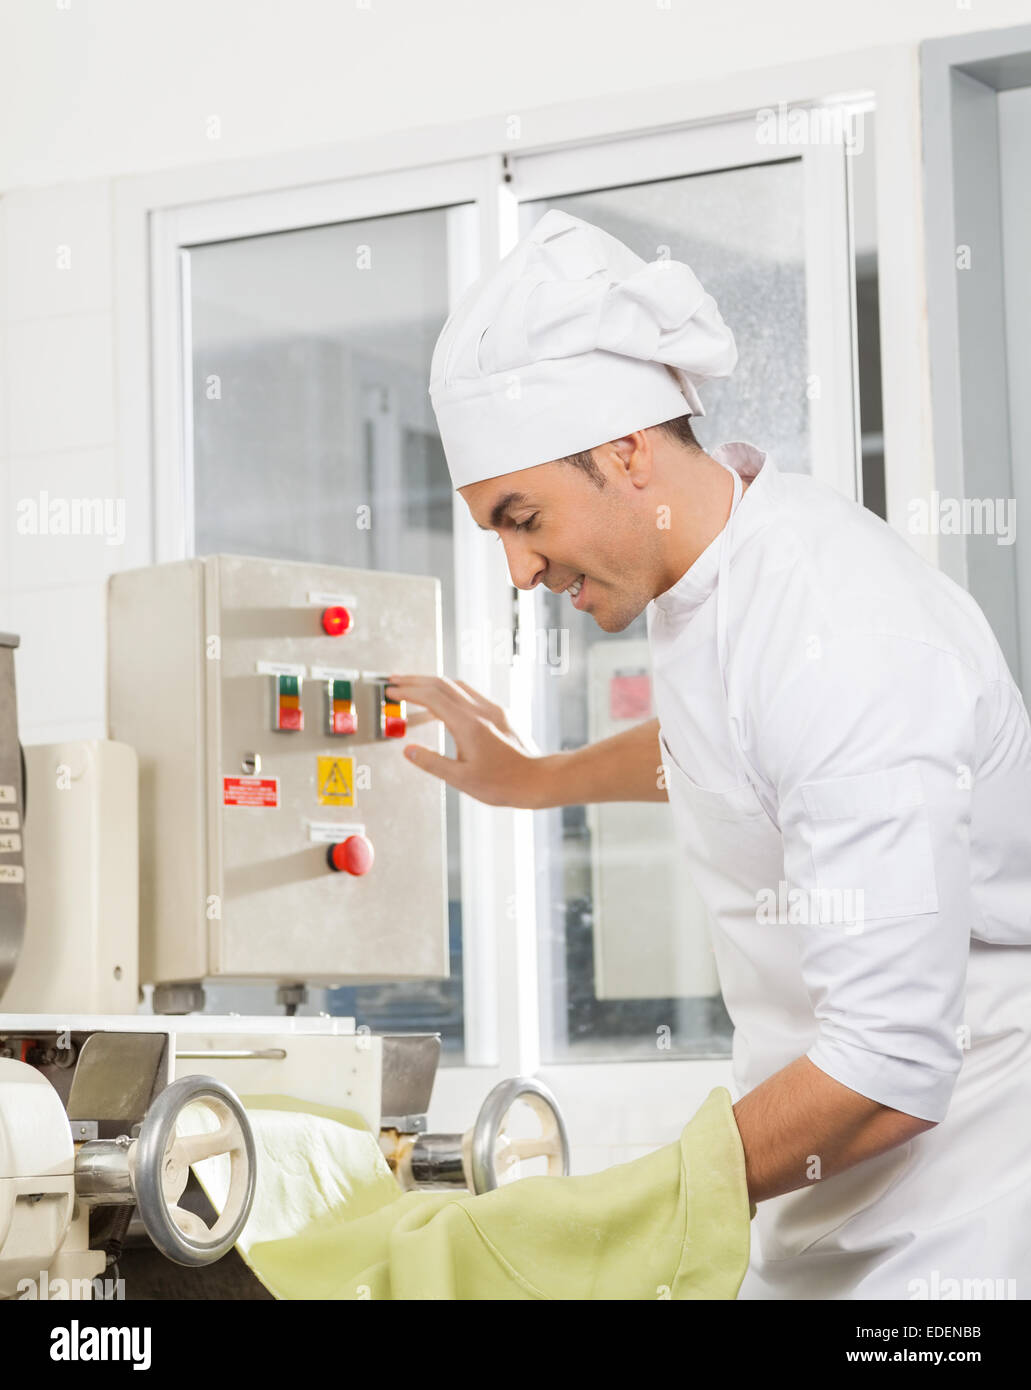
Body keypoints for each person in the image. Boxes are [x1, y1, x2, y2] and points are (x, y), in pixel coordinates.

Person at [387, 209, 1031, 1300]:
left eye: (522, 514)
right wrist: (534, 780)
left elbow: (887, 1067)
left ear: (628, 452)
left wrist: (620, 1211)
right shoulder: (711, 585)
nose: (517, 568)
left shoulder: (840, 631)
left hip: (957, 1203)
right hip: (815, 1187)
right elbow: (724, 754)